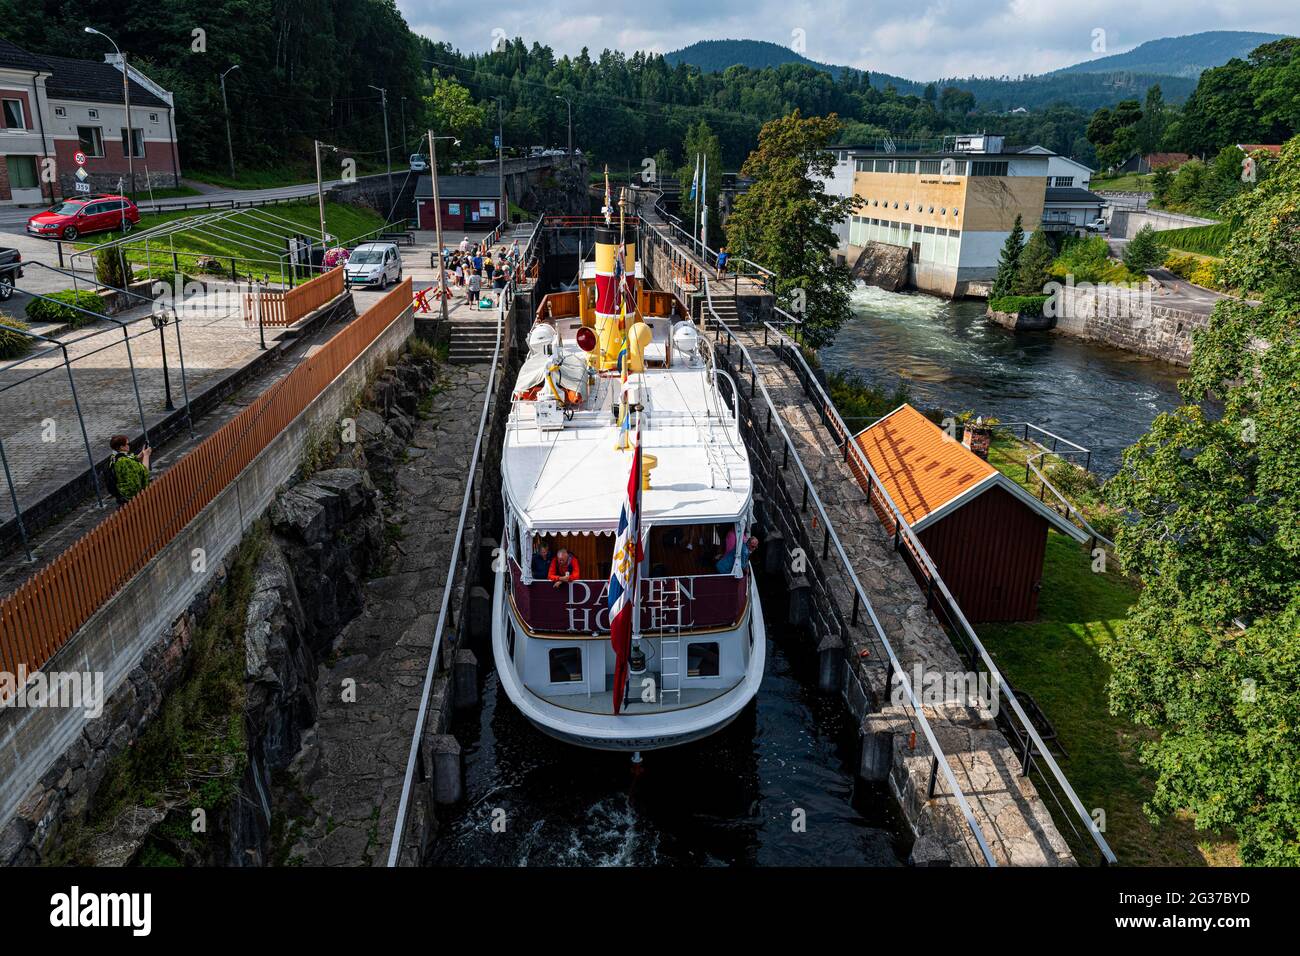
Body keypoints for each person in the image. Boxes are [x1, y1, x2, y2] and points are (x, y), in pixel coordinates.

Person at [107, 434, 151, 504]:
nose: (129, 445)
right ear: (121, 447)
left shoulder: (114, 457)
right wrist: (146, 456)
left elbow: (131, 458)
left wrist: (141, 454)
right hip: (131, 497)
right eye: (128, 444)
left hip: (122, 493)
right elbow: (144, 472)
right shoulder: (125, 462)